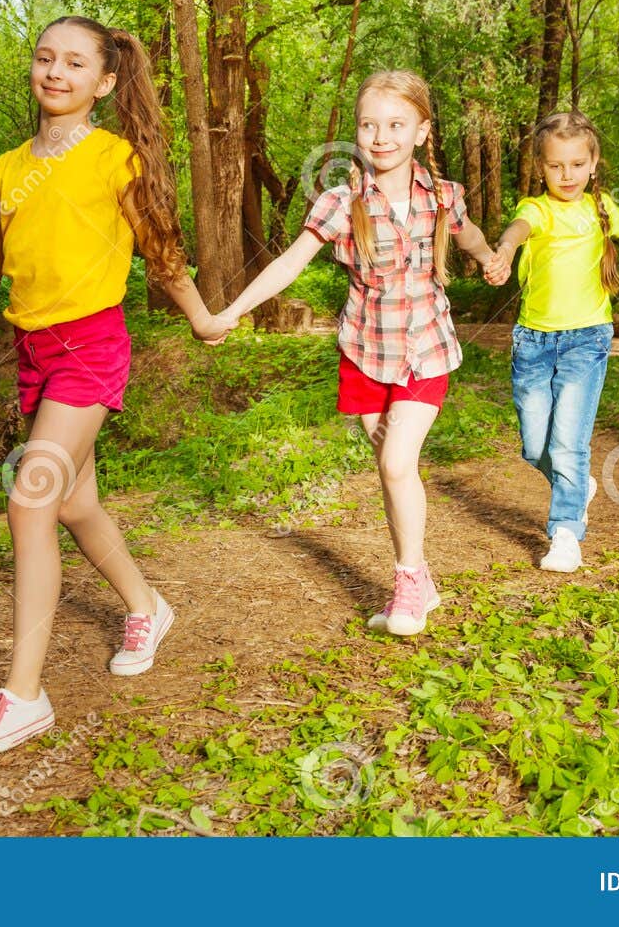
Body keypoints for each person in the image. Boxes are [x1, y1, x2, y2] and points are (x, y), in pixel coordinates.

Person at [0, 16, 224, 758]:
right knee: (76, 501)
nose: (56, 71)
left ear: (104, 83)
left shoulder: (116, 160)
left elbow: (164, 252)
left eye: (75, 63)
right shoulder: (6, 171)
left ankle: (24, 695)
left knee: (30, 496)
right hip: (34, 352)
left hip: (92, 344)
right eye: (46, 58)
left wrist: (203, 318)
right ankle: (147, 605)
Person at [208, 70, 495, 635]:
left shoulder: (442, 195)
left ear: (421, 131)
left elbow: (470, 234)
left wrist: (491, 257)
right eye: (369, 125)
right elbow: (289, 262)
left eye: (395, 124)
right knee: (392, 468)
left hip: (426, 350)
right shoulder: (341, 202)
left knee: (395, 462)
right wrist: (233, 310)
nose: (380, 136)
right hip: (364, 350)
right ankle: (423, 580)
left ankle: (408, 583)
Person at [484, 111, 619, 573]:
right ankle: (576, 484)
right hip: (533, 341)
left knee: (568, 441)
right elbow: (517, 230)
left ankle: (565, 532)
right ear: (540, 167)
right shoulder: (537, 210)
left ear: (593, 162)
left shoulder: (601, 209)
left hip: (587, 339)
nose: (567, 175)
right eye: (555, 166)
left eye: (576, 164)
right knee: (533, 445)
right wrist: (505, 250)